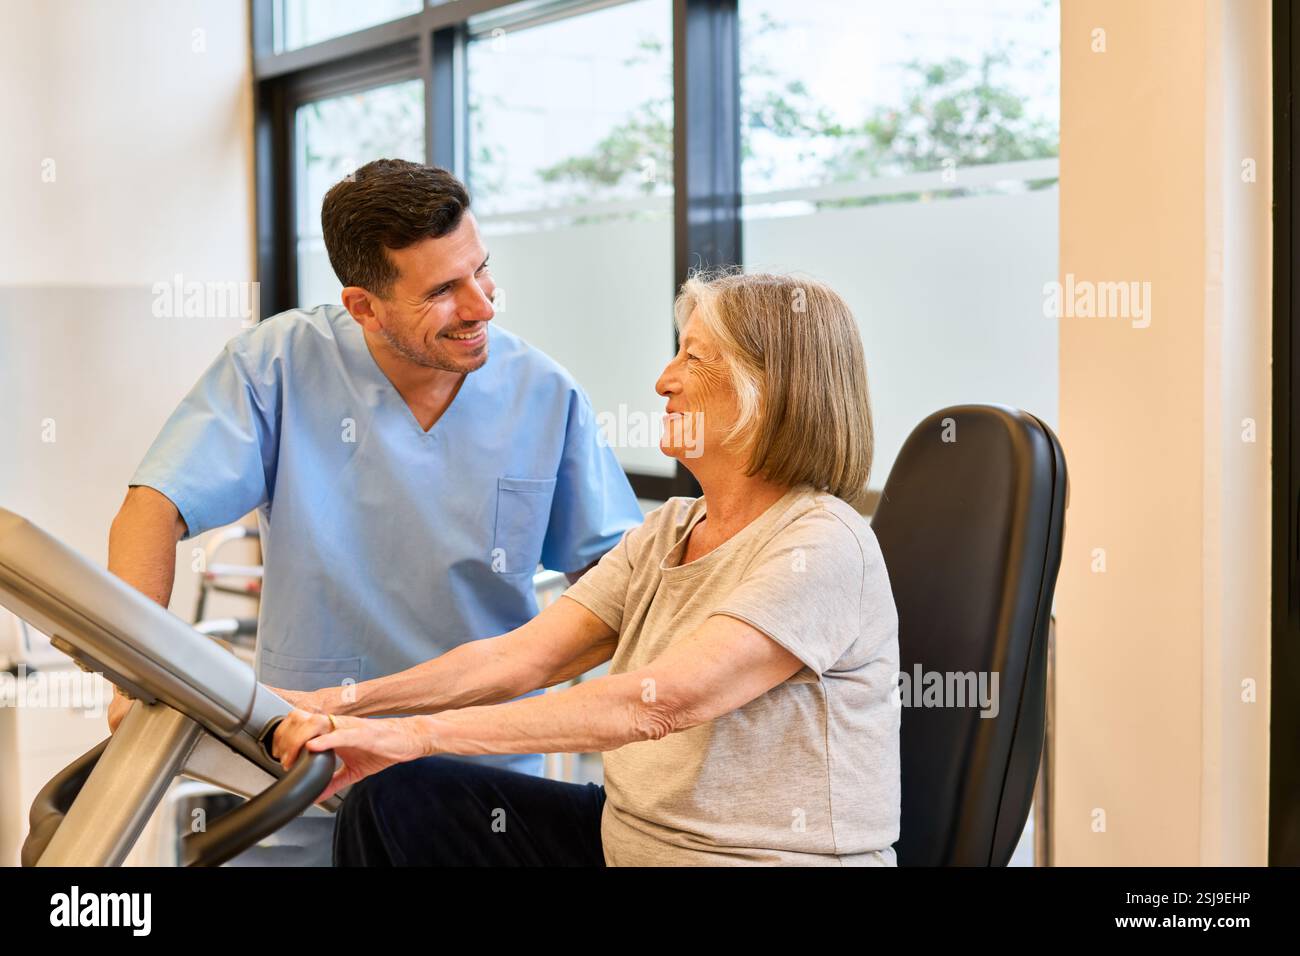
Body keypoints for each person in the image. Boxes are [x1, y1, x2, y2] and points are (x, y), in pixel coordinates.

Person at [273, 270, 901, 866]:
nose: (664, 380)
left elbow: (654, 705)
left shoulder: (821, 546)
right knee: (395, 802)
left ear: (770, 388)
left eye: (695, 357)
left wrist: (415, 735)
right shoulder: (671, 529)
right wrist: (336, 705)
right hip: (627, 841)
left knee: (407, 767)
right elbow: (518, 659)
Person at [107, 158, 643, 789]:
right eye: (443, 291)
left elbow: (618, 586)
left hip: (477, 774)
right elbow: (153, 506)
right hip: (309, 760)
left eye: (482, 269)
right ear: (364, 306)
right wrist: (135, 671)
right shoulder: (277, 366)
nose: (482, 307)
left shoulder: (545, 394)